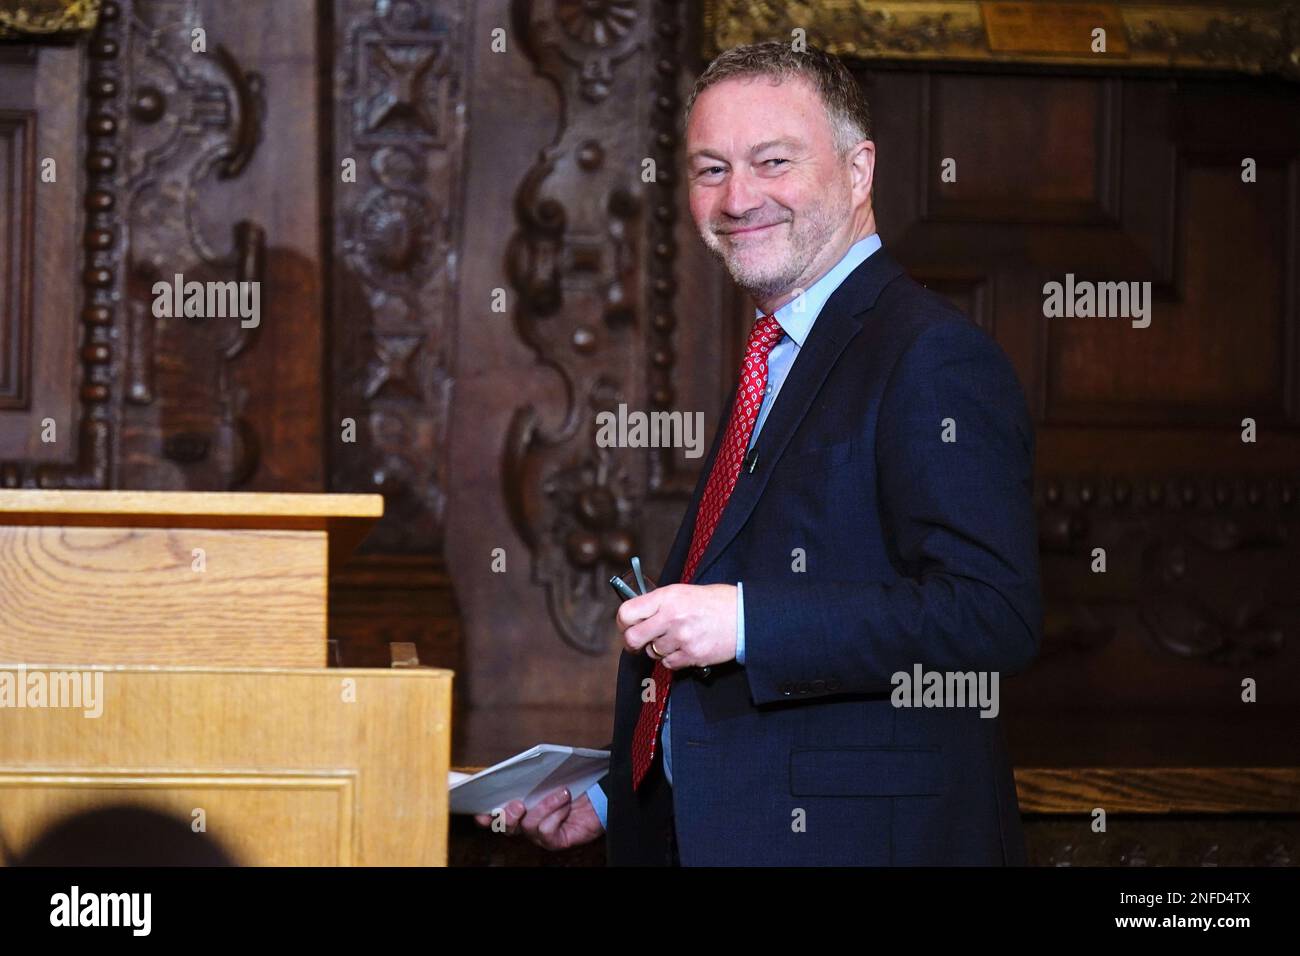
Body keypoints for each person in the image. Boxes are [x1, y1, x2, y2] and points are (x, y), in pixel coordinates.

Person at [475, 40, 1041, 865]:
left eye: (772, 161)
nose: (738, 198)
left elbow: (994, 615)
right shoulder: (776, 353)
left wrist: (742, 620)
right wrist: (614, 797)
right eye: (710, 170)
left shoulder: (930, 356)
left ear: (858, 171)